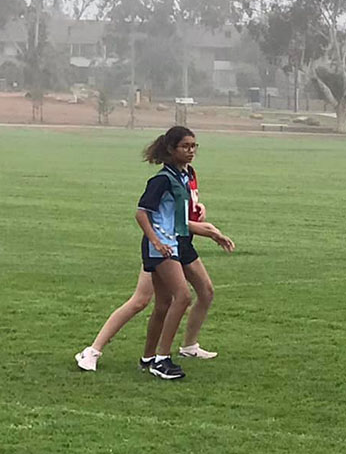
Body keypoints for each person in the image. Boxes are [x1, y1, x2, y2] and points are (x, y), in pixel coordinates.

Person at [75, 157, 234, 372]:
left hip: (182, 242)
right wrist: (205, 229)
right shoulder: (164, 178)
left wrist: (199, 209)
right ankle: (93, 350)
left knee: (205, 291)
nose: (191, 151)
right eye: (185, 146)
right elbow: (161, 217)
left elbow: (183, 207)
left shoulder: (187, 173)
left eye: (193, 146)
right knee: (143, 300)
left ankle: (187, 346)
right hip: (164, 243)